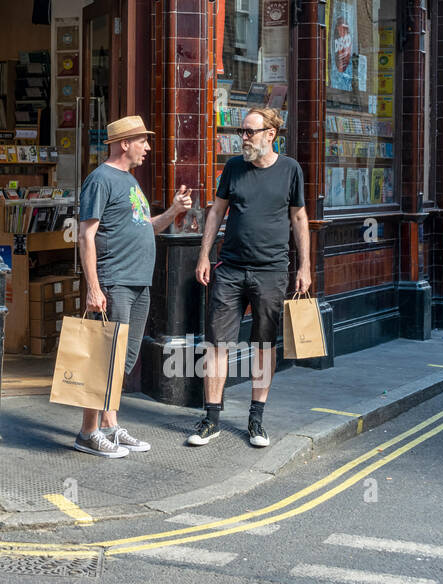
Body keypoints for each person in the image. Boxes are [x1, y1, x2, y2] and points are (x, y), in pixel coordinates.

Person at [190, 107, 310, 449]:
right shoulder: (233, 168)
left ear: (270, 135)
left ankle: (256, 419)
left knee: (263, 345)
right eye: (242, 131)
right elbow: (216, 212)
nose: (243, 137)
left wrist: (304, 267)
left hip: (272, 270)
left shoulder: (290, 170)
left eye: (249, 132)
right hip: (229, 269)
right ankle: (211, 419)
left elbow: (300, 219)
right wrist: (204, 255)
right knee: (216, 343)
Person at [75, 115, 193, 459]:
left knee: (123, 360)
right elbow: (86, 235)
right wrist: (94, 287)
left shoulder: (129, 181)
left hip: (138, 282)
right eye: (142, 141)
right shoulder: (100, 180)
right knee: (104, 358)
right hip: (116, 281)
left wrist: (172, 211)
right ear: (124, 143)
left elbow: (147, 227)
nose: (148, 147)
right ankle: (87, 432)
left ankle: (110, 426)